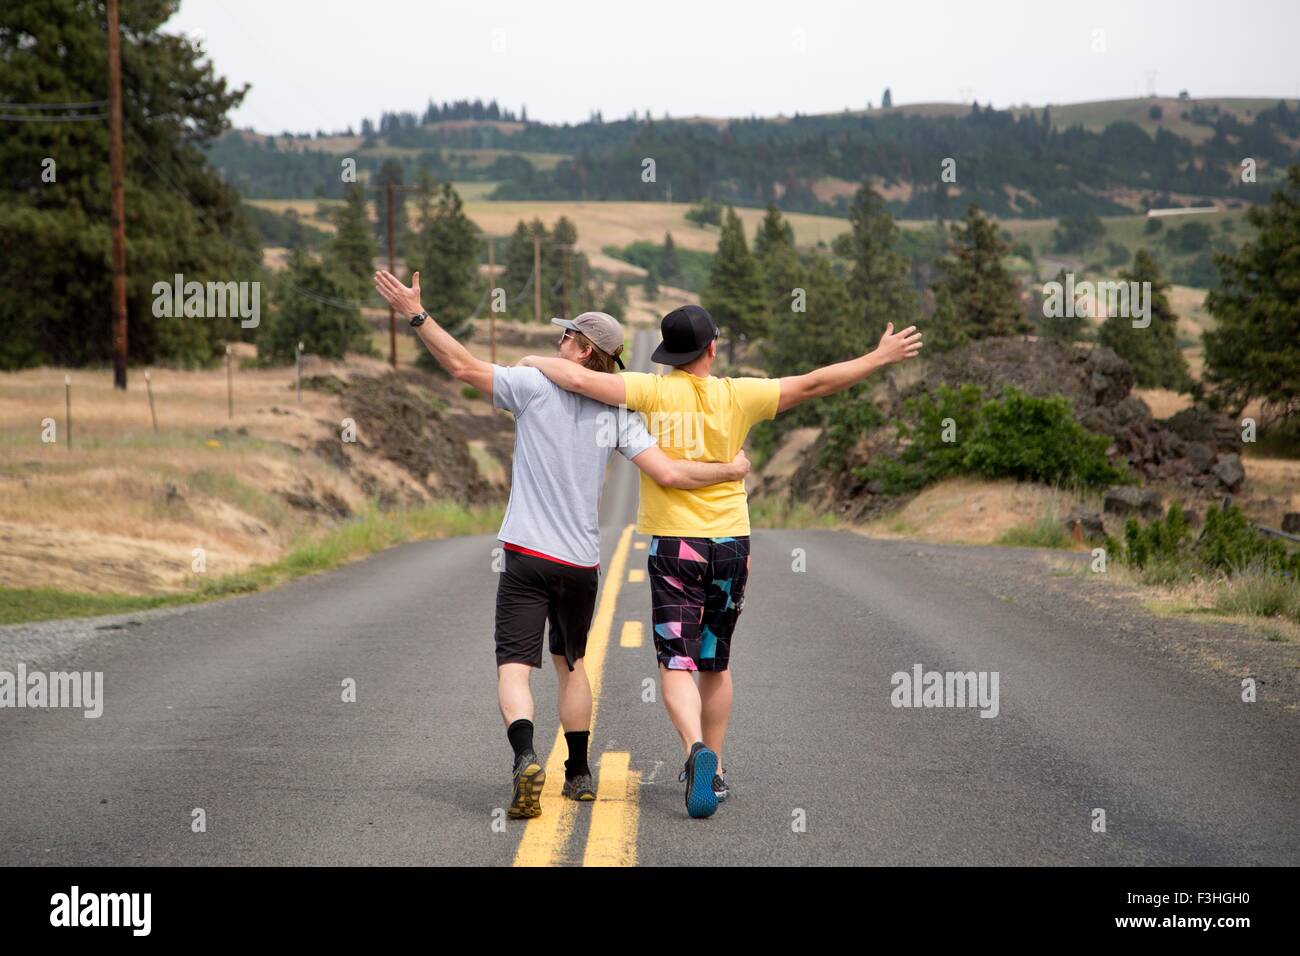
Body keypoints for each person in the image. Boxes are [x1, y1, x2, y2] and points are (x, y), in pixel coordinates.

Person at [520, 303, 922, 817]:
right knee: (716, 660)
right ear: (712, 347)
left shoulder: (651, 390)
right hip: (731, 543)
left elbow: (576, 380)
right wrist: (878, 357)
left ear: (667, 354)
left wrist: (533, 360)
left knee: (676, 662)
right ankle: (719, 766)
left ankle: (694, 749)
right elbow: (817, 383)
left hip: (675, 544)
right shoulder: (741, 394)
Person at [373, 272, 749, 821]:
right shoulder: (618, 414)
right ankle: (578, 773)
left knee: (514, 664)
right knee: (571, 665)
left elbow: (461, 365)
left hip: (526, 554)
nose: (558, 343)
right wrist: (731, 468)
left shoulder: (531, 387)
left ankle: (526, 757)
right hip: (581, 563)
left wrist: (416, 315)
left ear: (584, 349)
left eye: (567, 337)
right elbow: (669, 474)